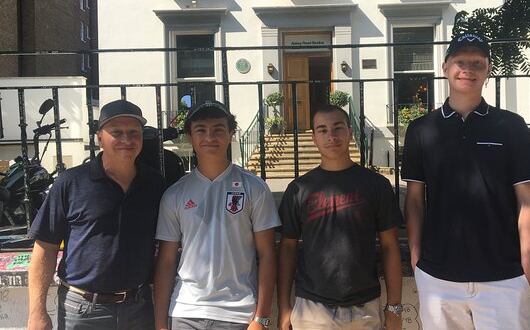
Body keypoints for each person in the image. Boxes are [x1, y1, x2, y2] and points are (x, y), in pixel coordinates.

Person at [402, 32, 530, 330]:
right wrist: (416, 259)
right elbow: (414, 200)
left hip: (504, 276)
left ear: (488, 69)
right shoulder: (421, 129)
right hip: (438, 277)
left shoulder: (511, 125)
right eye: (460, 61)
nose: (468, 69)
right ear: (445, 67)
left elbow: (528, 199)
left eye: (478, 63)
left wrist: (527, 266)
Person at [28, 99, 166, 330]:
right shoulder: (70, 183)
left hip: (139, 308)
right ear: (100, 138)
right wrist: (37, 313)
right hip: (81, 310)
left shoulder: (155, 184)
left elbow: (165, 248)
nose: (126, 139)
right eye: (116, 132)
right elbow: (45, 248)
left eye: (134, 132)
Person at [153, 100, 280, 330]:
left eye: (218, 129)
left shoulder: (254, 187)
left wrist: (261, 318)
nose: (209, 136)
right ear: (190, 137)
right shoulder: (175, 194)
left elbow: (268, 253)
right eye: (201, 130)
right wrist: (161, 325)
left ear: (231, 134)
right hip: (185, 312)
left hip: (238, 313)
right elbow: (167, 261)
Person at [277, 105, 403, 330]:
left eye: (337, 128)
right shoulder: (298, 189)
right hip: (312, 308)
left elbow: (390, 246)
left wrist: (394, 306)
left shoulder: (377, 185)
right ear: (314, 138)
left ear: (350, 132)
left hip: (365, 307)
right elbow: (287, 248)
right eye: (322, 130)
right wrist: (284, 306)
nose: (331, 136)